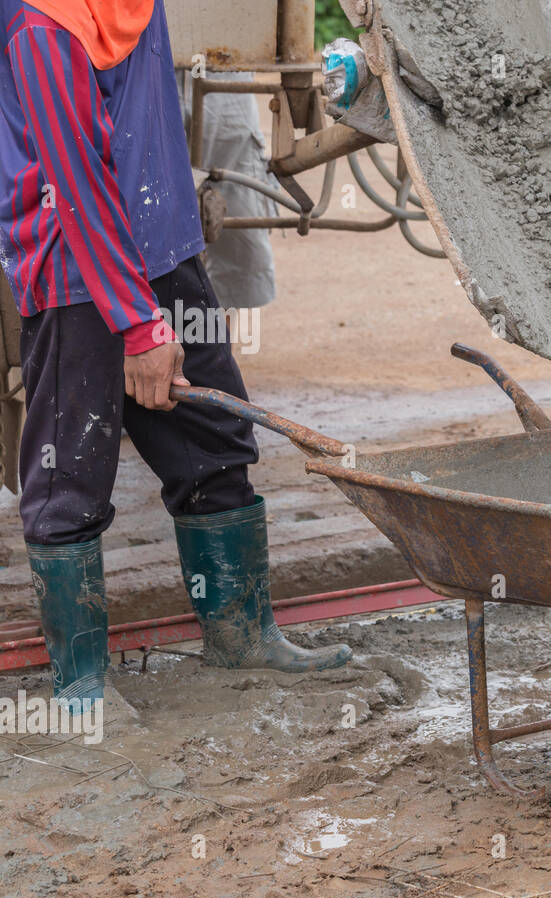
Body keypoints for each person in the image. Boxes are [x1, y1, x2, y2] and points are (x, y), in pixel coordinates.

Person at [0, 0, 349, 714]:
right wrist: (137, 325)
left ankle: (242, 636)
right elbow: (76, 185)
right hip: (76, 268)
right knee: (69, 473)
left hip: (162, 249)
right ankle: (81, 689)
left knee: (215, 442)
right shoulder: (42, 24)